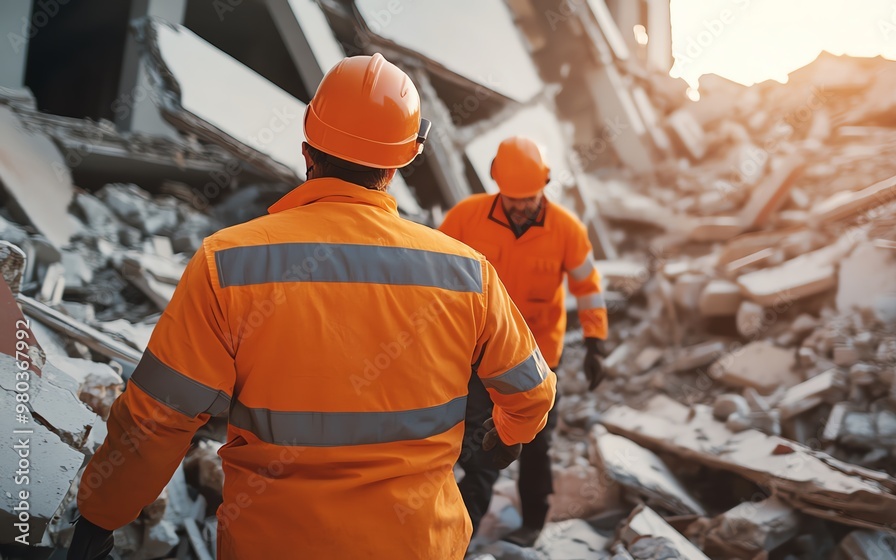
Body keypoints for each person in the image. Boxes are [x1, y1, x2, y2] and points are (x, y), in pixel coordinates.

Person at [67, 54, 556, 560]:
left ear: (307, 151)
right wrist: (509, 436)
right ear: (396, 166)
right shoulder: (465, 272)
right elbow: (532, 392)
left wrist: (102, 514)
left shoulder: (228, 263)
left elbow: (159, 419)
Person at [439, 136, 609, 546]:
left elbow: (587, 285)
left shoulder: (567, 229)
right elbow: (434, 271)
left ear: (545, 184)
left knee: (535, 443)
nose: (519, 205)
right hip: (477, 354)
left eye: (528, 198)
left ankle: (533, 522)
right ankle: (462, 537)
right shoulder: (465, 217)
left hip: (537, 357)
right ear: (496, 183)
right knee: (479, 443)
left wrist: (595, 339)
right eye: (511, 197)